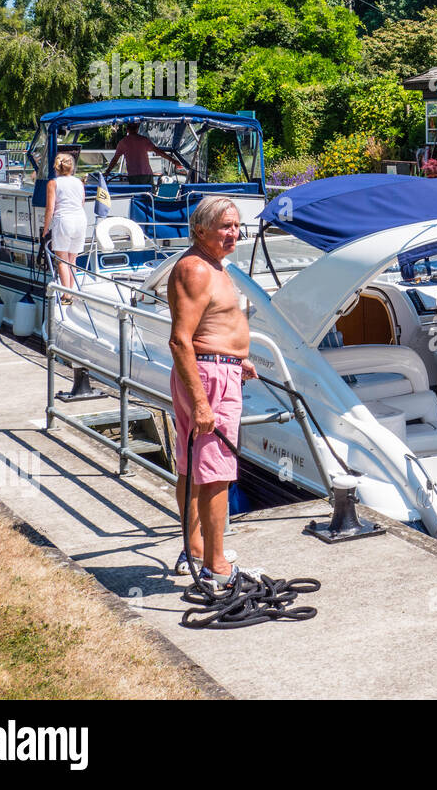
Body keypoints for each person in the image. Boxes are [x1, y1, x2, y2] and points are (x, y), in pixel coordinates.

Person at [167, 195, 257, 588]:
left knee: (194, 469)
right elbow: (180, 340)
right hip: (209, 381)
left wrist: (237, 359)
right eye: (225, 226)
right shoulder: (196, 269)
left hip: (218, 371)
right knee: (217, 473)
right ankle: (217, 567)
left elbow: (213, 326)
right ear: (200, 230)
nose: (233, 233)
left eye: (236, 225)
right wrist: (202, 402)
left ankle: (197, 548)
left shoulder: (213, 265)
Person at [41, 153, 86, 302]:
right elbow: (82, 203)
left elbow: (50, 208)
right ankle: (71, 292)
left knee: (62, 261)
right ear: (71, 167)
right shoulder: (79, 182)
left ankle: (66, 295)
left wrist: (45, 228)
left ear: (56, 167)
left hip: (64, 221)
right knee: (72, 260)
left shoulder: (53, 183)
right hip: (80, 220)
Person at [105, 122, 183, 185]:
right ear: (137, 128)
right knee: (148, 196)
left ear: (127, 130)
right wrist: (173, 160)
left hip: (133, 176)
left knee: (136, 196)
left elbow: (115, 159)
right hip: (146, 174)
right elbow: (158, 151)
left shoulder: (122, 143)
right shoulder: (144, 140)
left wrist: (107, 172)